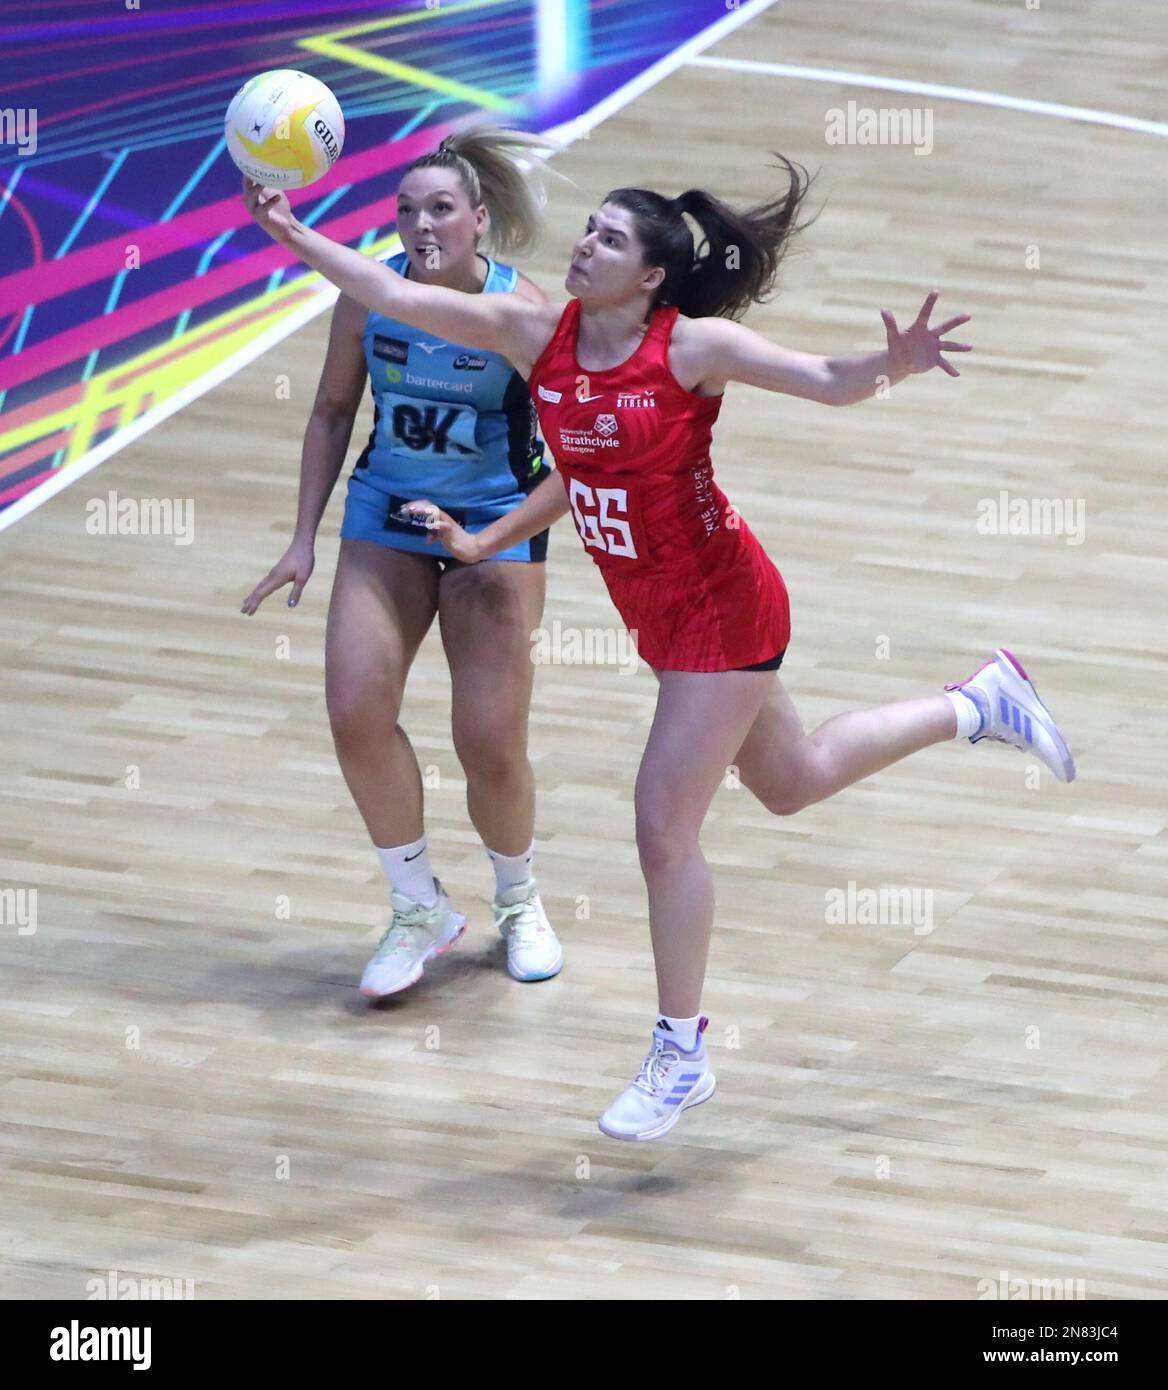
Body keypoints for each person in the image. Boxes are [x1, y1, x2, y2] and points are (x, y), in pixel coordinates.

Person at [242, 147, 1077, 1142]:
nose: (584, 242)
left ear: (648, 277)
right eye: (586, 226)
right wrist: (293, 235)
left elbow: (818, 376)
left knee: (659, 829)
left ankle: (681, 1049)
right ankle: (978, 701)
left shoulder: (690, 348)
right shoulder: (535, 334)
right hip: (661, 622)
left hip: (722, 612)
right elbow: (397, 299)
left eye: (609, 237)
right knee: (794, 779)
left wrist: (887, 365)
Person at [241, 129, 564, 998]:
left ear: (479, 220)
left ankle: (519, 898)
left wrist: (496, 539)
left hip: (493, 519)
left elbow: (577, 448)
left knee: (489, 742)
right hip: (386, 513)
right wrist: (304, 536)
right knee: (354, 712)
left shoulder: (521, 313)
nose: (422, 224)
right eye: (407, 210)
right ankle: (419, 906)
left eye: (441, 209)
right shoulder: (368, 295)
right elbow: (332, 410)